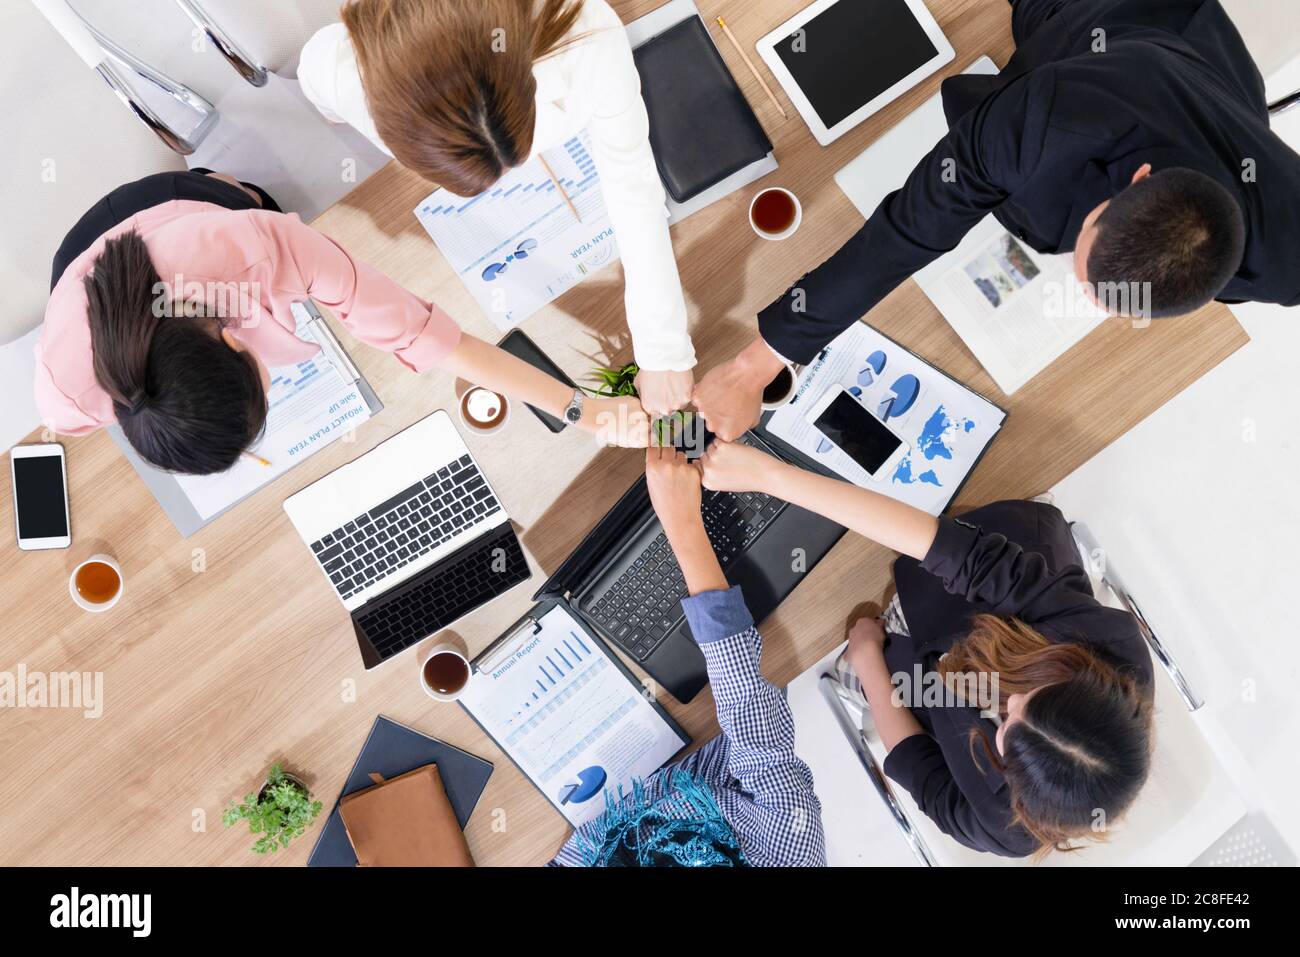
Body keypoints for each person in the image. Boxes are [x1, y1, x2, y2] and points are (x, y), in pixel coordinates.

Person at [694, 0, 1300, 441]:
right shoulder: (1041, 122)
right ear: (1137, 180)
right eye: (1084, 258)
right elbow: (908, 230)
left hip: (1200, 59)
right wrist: (755, 364)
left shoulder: (1288, 262)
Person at [696, 439, 1153, 858]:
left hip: (917, 671)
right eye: (1028, 699)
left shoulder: (1002, 830)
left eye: (1007, 726)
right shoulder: (1112, 648)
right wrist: (770, 477)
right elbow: (966, 556)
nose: (1007, 704)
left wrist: (869, 658)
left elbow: (917, 764)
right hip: (997, 551)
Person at [35, 169, 649, 475]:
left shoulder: (260, 246)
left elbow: (429, 337)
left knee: (249, 191)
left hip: (178, 203)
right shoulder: (65, 400)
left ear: (231, 336)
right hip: (78, 276)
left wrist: (586, 412)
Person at [298, 0, 696, 416]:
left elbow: (632, 182)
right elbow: (320, 85)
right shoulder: (343, 73)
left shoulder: (586, 31)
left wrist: (662, 349)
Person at [550, 445, 826, 867]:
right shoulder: (788, 849)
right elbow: (750, 715)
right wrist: (682, 523)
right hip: (704, 736)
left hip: (591, 783)